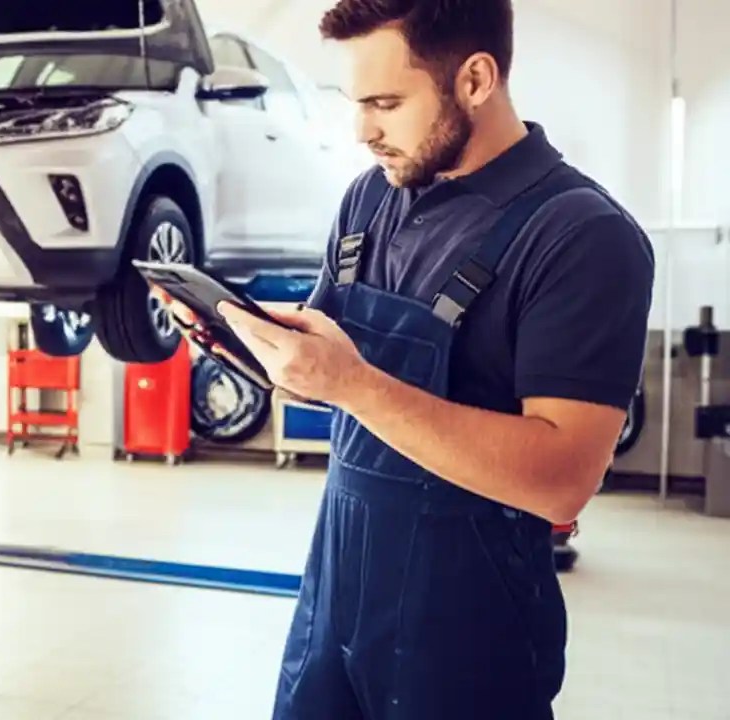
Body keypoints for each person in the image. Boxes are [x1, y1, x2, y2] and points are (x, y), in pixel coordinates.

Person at [161, 1, 655, 718]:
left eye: (386, 104)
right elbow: (324, 386)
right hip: (333, 613)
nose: (364, 132)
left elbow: (563, 482)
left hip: (469, 644)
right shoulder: (370, 200)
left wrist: (354, 384)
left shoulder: (582, 236)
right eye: (356, 104)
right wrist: (244, 345)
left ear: (476, 79)